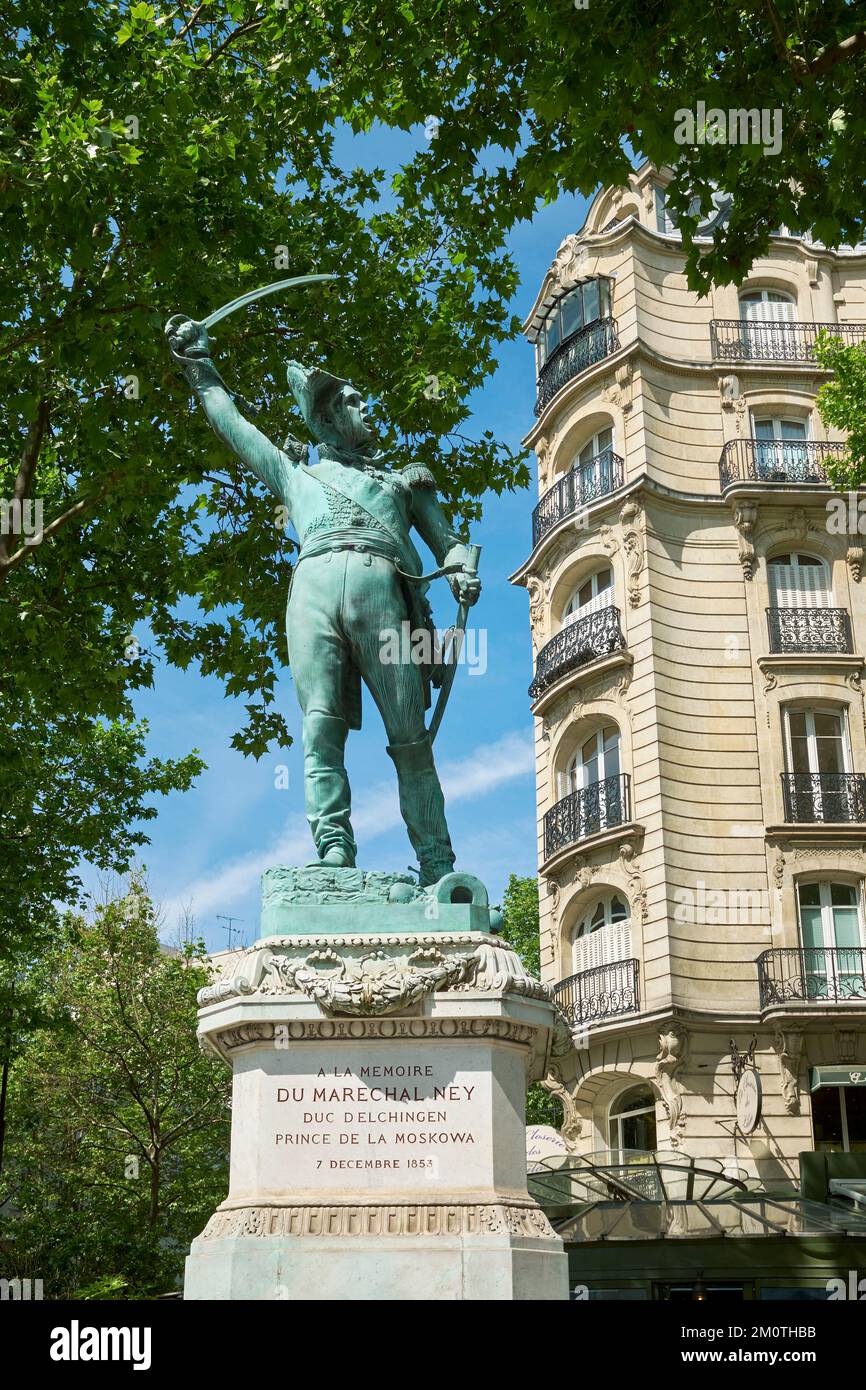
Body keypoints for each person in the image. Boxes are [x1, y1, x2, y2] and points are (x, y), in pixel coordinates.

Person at [165, 315, 481, 885]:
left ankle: (437, 864)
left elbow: (451, 545)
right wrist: (199, 366)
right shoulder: (294, 477)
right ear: (329, 416)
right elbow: (231, 421)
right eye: (356, 401)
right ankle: (334, 848)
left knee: (410, 738)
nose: (370, 408)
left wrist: (460, 569)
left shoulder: (403, 483)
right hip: (310, 595)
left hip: (385, 595)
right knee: (319, 729)